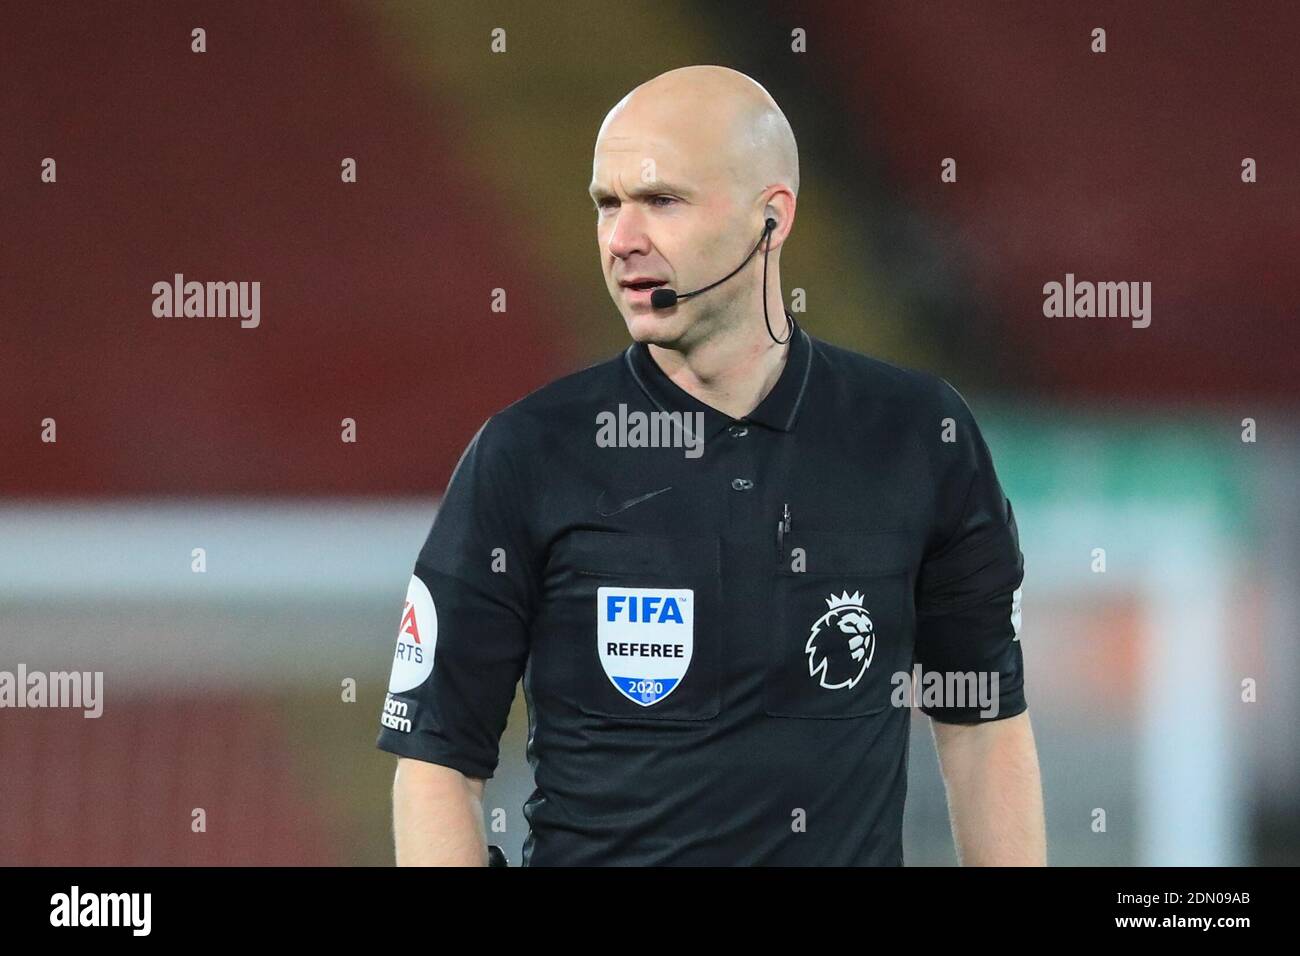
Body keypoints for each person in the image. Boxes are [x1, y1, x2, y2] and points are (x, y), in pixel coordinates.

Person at [377, 64, 1046, 866]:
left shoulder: (917, 435)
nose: (622, 239)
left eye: (661, 200)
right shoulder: (531, 453)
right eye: (606, 204)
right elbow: (437, 761)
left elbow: (983, 726)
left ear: (772, 218)